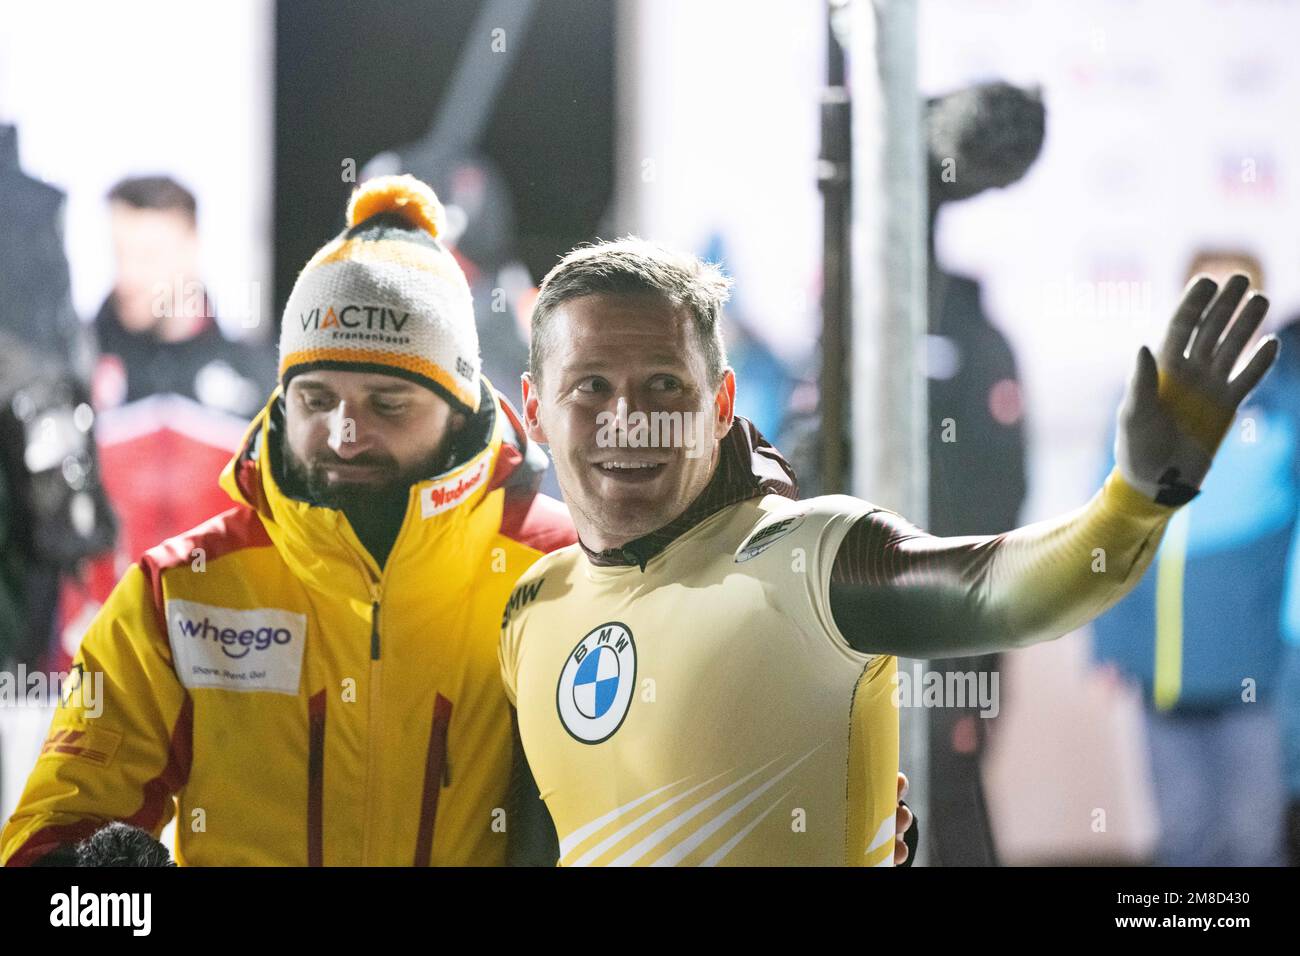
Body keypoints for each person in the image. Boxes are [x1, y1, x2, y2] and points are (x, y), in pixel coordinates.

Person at [499, 238, 1278, 866]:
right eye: (590, 387)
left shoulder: (807, 556)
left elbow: (1008, 591)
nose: (628, 417)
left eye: (665, 384)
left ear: (723, 403)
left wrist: (1140, 492)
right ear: (535, 407)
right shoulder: (530, 610)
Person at [1, 175, 576, 866]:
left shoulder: (562, 572)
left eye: (387, 403)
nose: (343, 432)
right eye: (316, 397)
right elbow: (48, 846)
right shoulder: (181, 592)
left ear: (459, 410)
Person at [1092, 251, 1295, 866]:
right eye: (1207, 299)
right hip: (1165, 671)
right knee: (1184, 837)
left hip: (1261, 676)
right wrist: (1108, 640)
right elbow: (1106, 529)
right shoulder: (1142, 407)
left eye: (1240, 300)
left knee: (1257, 837)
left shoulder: (1285, 410)